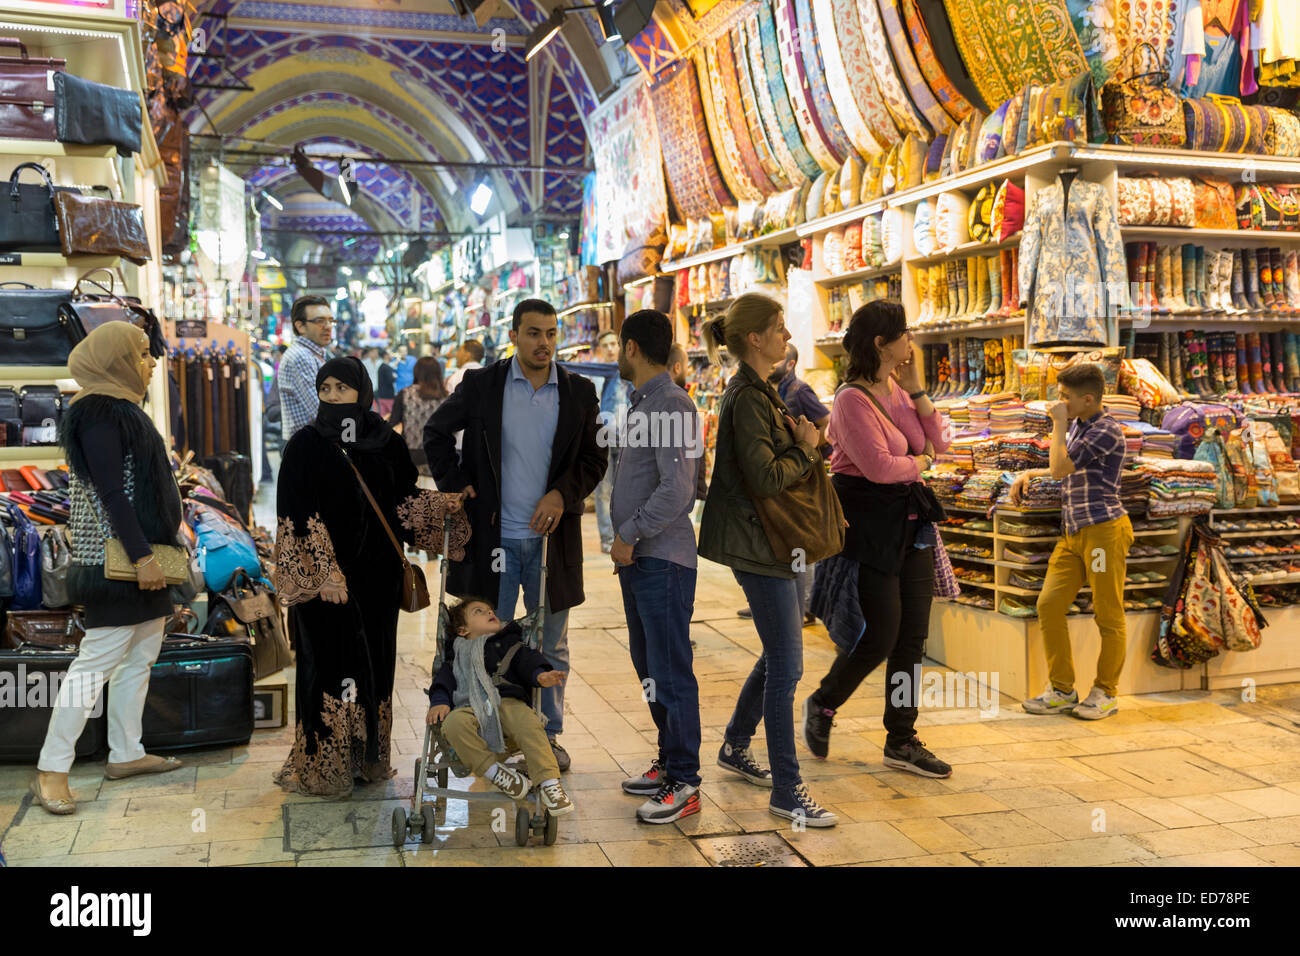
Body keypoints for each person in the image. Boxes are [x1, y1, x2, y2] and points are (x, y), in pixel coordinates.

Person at [423, 299, 605, 773]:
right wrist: (456, 482)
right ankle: (492, 735)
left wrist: (562, 496)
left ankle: (547, 738)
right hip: (494, 542)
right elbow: (436, 432)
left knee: (551, 645)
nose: (543, 343)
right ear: (514, 335)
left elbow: (594, 458)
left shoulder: (579, 392)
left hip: (552, 544)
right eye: (533, 333)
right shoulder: (483, 386)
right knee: (489, 642)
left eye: (550, 333)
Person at [272, 357, 468, 797]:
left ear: (361, 391)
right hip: (328, 587)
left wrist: (441, 508)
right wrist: (323, 574)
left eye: (343, 388)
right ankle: (326, 767)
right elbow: (296, 513)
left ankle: (366, 759)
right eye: (326, 388)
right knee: (329, 667)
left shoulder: (386, 443)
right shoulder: (306, 444)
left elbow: (402, 504)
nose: (333, 396)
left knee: (374, 667)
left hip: (377, 580)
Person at [696, 292, 837, 827]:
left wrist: (801, 442)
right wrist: (806, 447)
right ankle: (788, 789)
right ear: (754, 338)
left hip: (766, 540)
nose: (788, 336)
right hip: (762, 544)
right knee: (788, 666)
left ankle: (736, 743)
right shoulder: (750, 398)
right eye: (779, 328)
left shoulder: (759, 390)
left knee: (780, 652)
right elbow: (766, 477)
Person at [32, 322, 185, 814]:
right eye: (142, 353)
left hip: (143, 556)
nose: (152, 361)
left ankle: (126, 753)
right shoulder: (99, 414)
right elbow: (110, 494)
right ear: (115, 359)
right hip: (116, 560)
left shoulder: (124, 410)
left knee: (138, 660)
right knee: (93, 666)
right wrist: (141, 556)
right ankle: (51, 770)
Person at [800, 300, 954, 779]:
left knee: (912, 638)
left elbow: (941, 441)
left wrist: (918, 391)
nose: (912, 341)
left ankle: (901, 738)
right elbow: (881, 468)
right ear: (882, 344)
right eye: (904, 333)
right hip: (868, 525)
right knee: (880, 633)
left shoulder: (897, 389)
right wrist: (922, 464)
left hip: (911, 525)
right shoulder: (850, 400)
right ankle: (824, 702)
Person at [609, 310, 703, 823]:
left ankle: (685, 781)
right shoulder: (645, 402)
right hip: (642, 560)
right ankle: (669, 760)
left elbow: (678, 489)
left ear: (631, 348)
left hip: (661, 560)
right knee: (649, 667)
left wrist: (629, 531)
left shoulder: (673, 403)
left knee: (670, 670)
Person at [1015, 364, 1132, 720]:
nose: (1059, 402)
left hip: (1101, 533)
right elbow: (1062, 468)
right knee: (1049, 605)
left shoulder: (1107, 431)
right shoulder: (1081, 425)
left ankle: (1106, 692)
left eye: (1065, 396)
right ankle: (1063, 689)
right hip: (1074, 534)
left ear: (1088, 399)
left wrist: (1058, 423)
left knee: (1107, 613)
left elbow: (1061, 469)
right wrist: (1029, 472)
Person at [425, 597, 573, 814]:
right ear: (463, 630)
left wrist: (540, 675)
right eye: (479, 611)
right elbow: (444, 680)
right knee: (453, 725)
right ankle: (495, 772)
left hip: (507, 701)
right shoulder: (456, 654)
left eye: (489, 610)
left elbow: (527, 661)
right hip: (468, 706)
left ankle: (549, 783)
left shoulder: (510, 643)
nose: (489, 613)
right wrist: (439, 702)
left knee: (529, 723)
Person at [738, 345, 833, 625]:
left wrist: (808, 446)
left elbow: (828, 423)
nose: (773, 361)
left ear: (790, 364)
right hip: (786, 475)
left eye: (780, 358)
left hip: (802, 472)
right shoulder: (770, 391)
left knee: (801, 544)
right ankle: (780, 604)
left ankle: (804, 607)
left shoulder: (799, 390)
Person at [594, 329, 633, 554]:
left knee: (626, 487)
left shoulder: (628, 372)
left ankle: (623, 534)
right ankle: (607, 537)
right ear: (600, 349)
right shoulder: (596, 376)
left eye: (613, 344)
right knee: (604, 489)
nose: (610, 349)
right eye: (605, 345)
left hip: (628, 437)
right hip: (602, 438)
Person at [278, 295, 334, 440]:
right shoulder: (301, 356)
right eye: (320, 321)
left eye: (330, 320)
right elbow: (321, 410)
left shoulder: (316, 354)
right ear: (300, 326)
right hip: (308, 448)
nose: (328, 326)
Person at [389, 356, 448, 481]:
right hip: (439, 456)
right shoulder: (445, 396)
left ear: (416, 372)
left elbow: (393, 423)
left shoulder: (405, 394)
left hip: (412, 454)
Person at [668, 342, 708, 502]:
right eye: (686, 366)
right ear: (677, 368)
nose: (688, 371)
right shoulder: (678, 402)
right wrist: (700, 492)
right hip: (677, 497)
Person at [375, 349, 397, 418]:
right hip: (388, 396)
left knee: (383, 416)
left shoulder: (382, 366)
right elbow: (390, 380)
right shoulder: (386, 368)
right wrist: (395, 377)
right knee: (391, 416)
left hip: (382, 395)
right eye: (390, 354)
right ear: (386, 356)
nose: (392, 355)